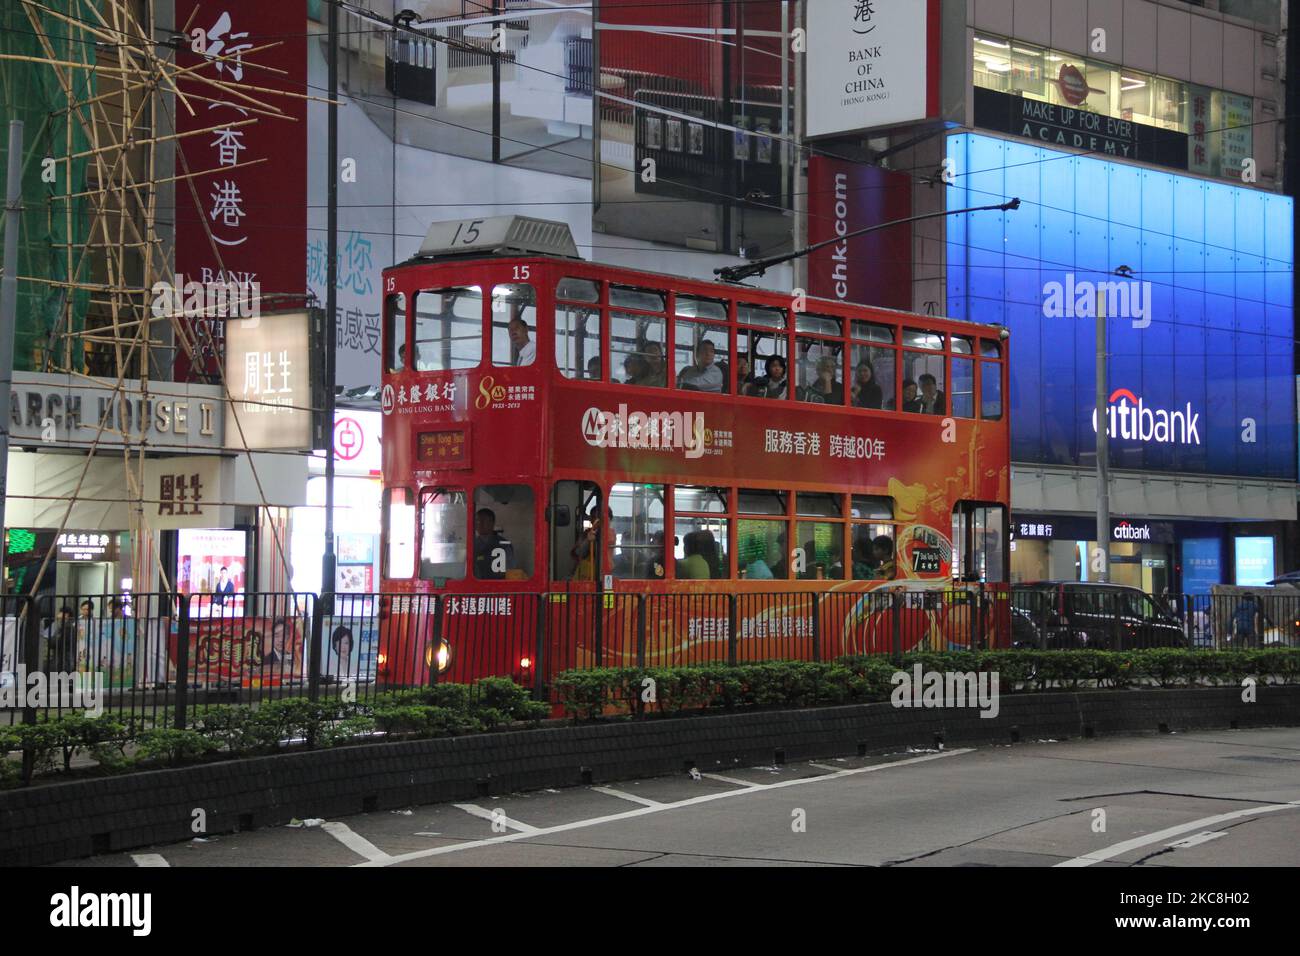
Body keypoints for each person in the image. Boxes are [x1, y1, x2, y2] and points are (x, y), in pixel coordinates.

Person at [473, 507, 513, 579]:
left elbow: (509, 570)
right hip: (476, 587)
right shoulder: (471, 545)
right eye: (477, 521)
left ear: (492, 523)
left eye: (483, 520)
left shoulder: (504, 545)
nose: (479, 524)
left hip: (498, 587)